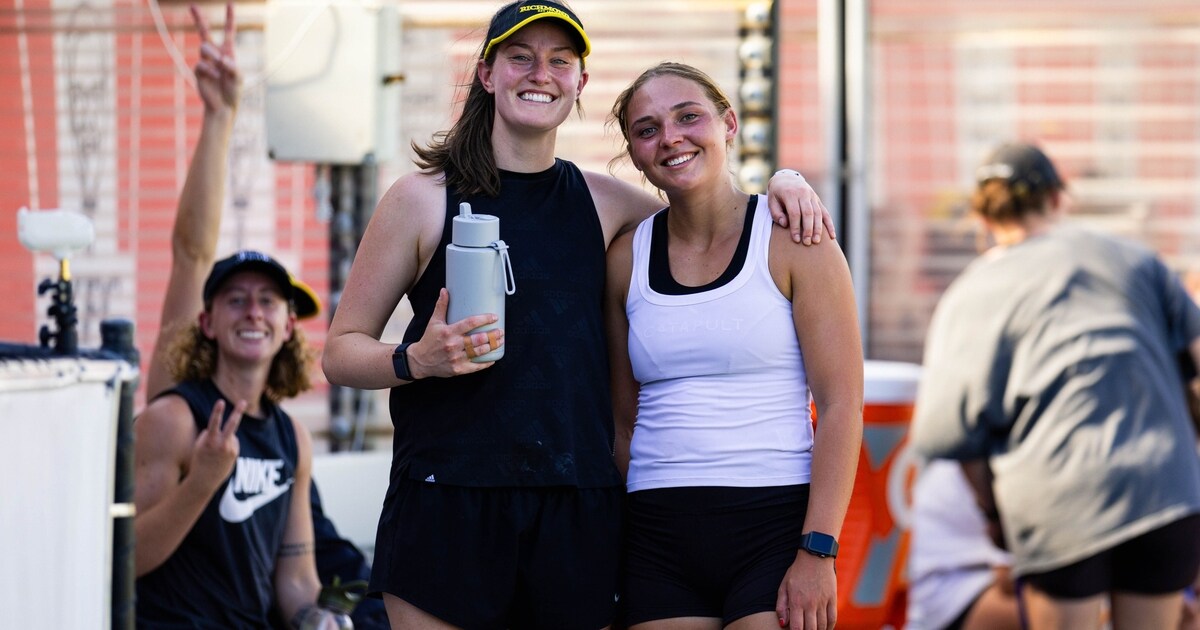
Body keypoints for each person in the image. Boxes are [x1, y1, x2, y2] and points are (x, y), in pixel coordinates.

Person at [320, 2, 836, 628]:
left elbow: (710, 210)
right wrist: (414, 359)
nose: (540, 73)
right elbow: (341, 350)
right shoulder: (421, 199)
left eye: (559, 61)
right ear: (487, 74)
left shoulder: (608, 204)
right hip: (445, 503)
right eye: (520, 57)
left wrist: (783, 184)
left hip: (574, 511)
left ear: (580, 83)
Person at [134, 5, 372, 628]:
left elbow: (297, 577)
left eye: (270, 300)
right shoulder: (173, 415)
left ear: (289, 326)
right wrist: (203, 479)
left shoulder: (290, 436)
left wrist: (316, 618)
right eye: (235, 297)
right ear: (206, 322)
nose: (254, 310)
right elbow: (124, 559)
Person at [603, 61, 862, 630]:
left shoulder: (798, 239)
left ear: (729, 123)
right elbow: (623, 424)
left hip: (773, 526)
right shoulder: (624, 259)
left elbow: (842, 406)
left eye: (687, 116)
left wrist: (819, 550)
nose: (670, 137)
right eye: (647, 129)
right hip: (657, 534)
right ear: (636, 153)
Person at [910, 142, 1200, 630]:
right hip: (1163, 492)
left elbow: (949, 436)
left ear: (982, 217)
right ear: (1059, 198)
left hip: (1056, 501)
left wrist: (995, 516)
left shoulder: (969, 294)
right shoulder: (1135, 261)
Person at [905, 459, 1021, 630]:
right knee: (1060, 607)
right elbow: (1011, 579)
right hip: (939, 593)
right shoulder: (1005, 463)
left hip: (974, 572)